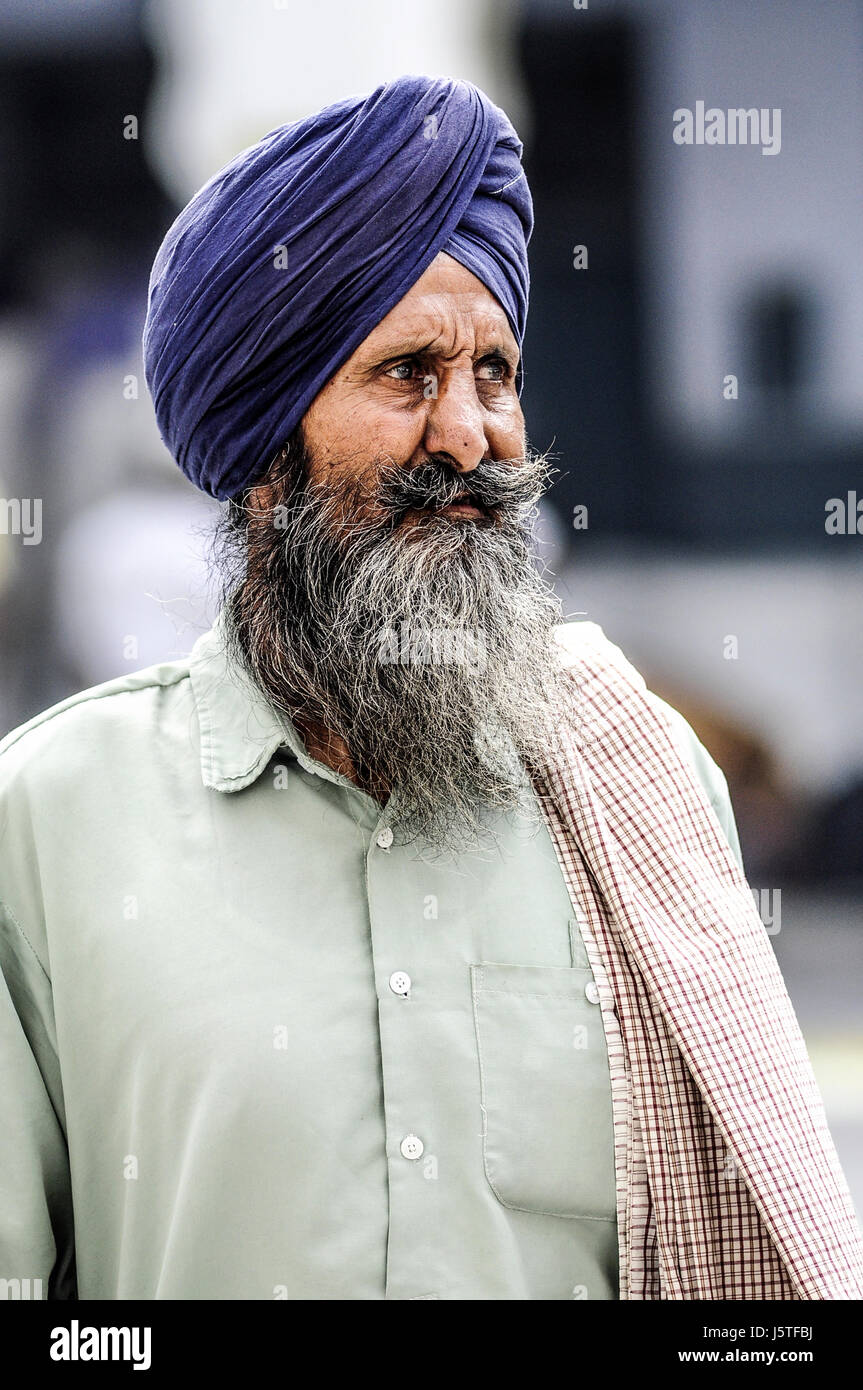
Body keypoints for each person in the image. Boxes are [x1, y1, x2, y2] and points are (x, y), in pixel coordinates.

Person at [0, 75, 860, 1302]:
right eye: (407, 372)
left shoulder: (639, 784)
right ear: (264, 452)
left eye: (493, 373)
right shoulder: (45, 821)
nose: (469, 433)